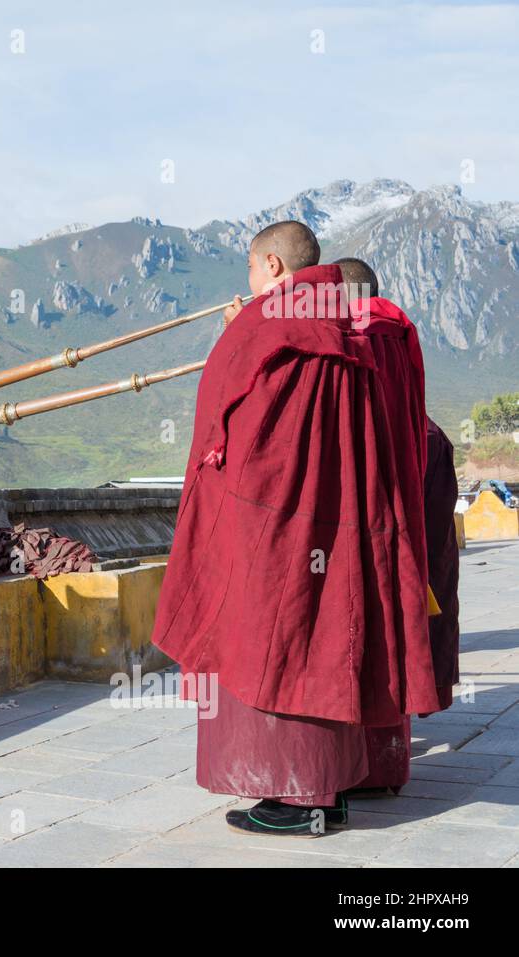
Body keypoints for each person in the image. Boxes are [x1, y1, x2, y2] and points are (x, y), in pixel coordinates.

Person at [151, 221, 442, 836]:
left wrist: (237, 334)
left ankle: (297, 797)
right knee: (336, 631)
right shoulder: (353, 328)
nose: (249, 284)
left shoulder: (273, 325)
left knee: (278, 642)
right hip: (343, 522)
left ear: (276, 268)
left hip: (279, 528)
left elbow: (235, 434)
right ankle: (333, 790)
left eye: (252, 269)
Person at [333, 257, 461, 794]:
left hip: (379, 480)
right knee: (413, 601)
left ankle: (355, 768)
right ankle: (389, 760)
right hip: (421, 449)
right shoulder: (392, 328)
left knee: (374, 622)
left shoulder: (357, 335)